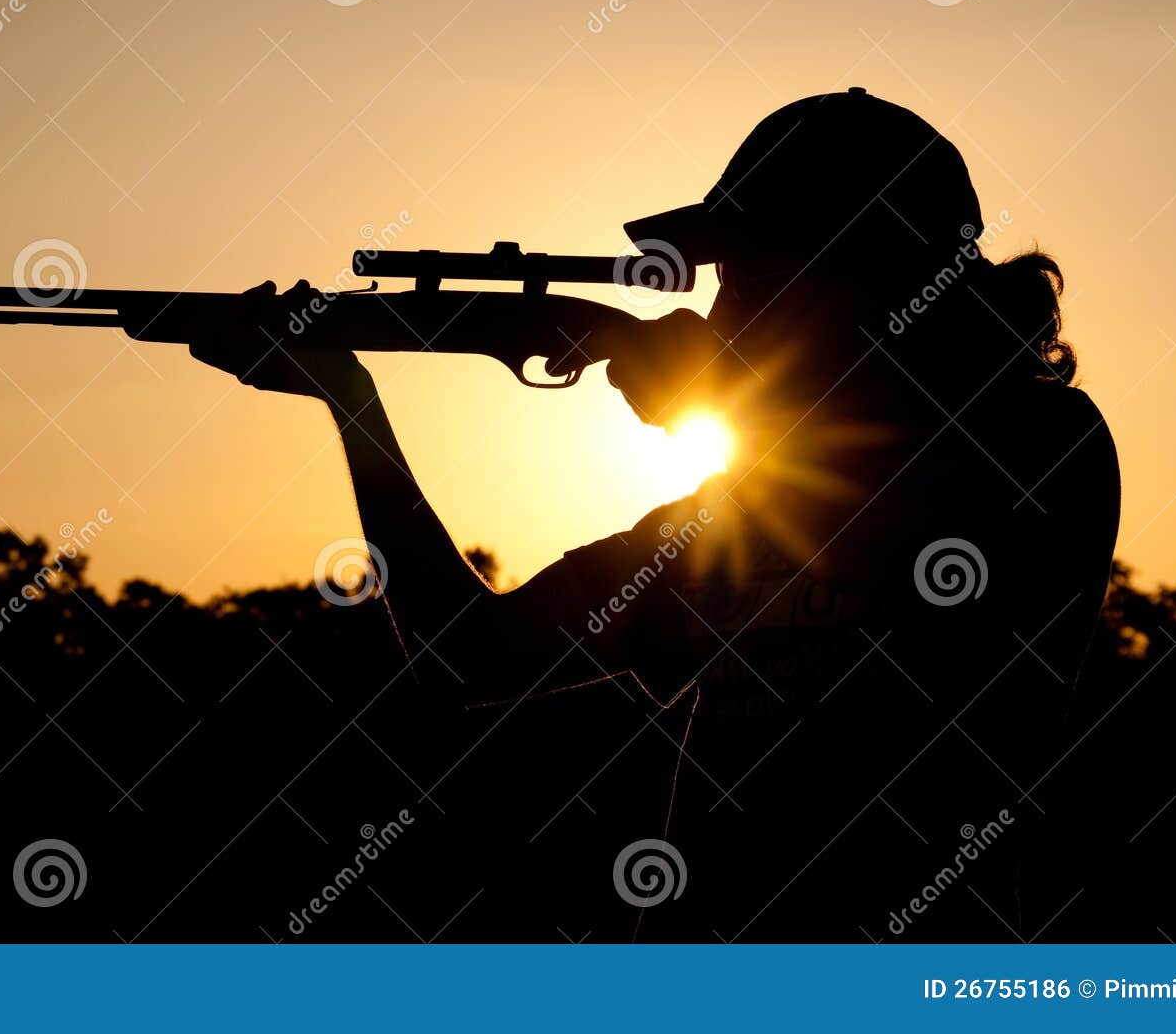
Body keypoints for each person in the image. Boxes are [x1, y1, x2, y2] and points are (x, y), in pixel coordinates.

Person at [190, 88, 1121, 939]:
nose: (723, 308)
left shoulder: (1039, 443)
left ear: (860, 274)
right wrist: (351, 406)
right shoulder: (729, 513)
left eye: (751, 276)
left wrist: (719, 398)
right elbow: (463, 656)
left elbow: (899, 533)